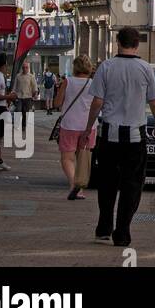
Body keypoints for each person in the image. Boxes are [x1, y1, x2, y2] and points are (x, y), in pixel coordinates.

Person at [81, 27, 155, 248]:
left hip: (109, 135)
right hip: (135, 138)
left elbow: (97, 102)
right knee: (132, 186)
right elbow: (154, 102)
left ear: (118, 42)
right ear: (137, 44)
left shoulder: (106, 67)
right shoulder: (145, 68)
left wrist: (88, 128)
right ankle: (122, 231)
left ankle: (104, 227)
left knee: (107, 184)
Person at [55, 55, 97, 200]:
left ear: (75, 67)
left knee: (67, 158)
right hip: (88, 126)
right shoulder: (94, 83)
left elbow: (57, 103)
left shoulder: (68, 81)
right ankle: (79, 188)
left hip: (70, 125)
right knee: (83, 158)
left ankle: (74, 185)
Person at [14, 60, 38, 132]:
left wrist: (35, 93)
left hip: (28, 97)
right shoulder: (18, 76)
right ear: (22, 68)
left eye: (26, 67)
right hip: (19, 97)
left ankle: (24, 126)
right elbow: (14, 87)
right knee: (18, 110)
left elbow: (35, 86)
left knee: (25, 112)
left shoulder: (31, 76)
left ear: (28, 68)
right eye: (23, 67)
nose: (25, 69)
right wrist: (13, 93)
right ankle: (17, 125)